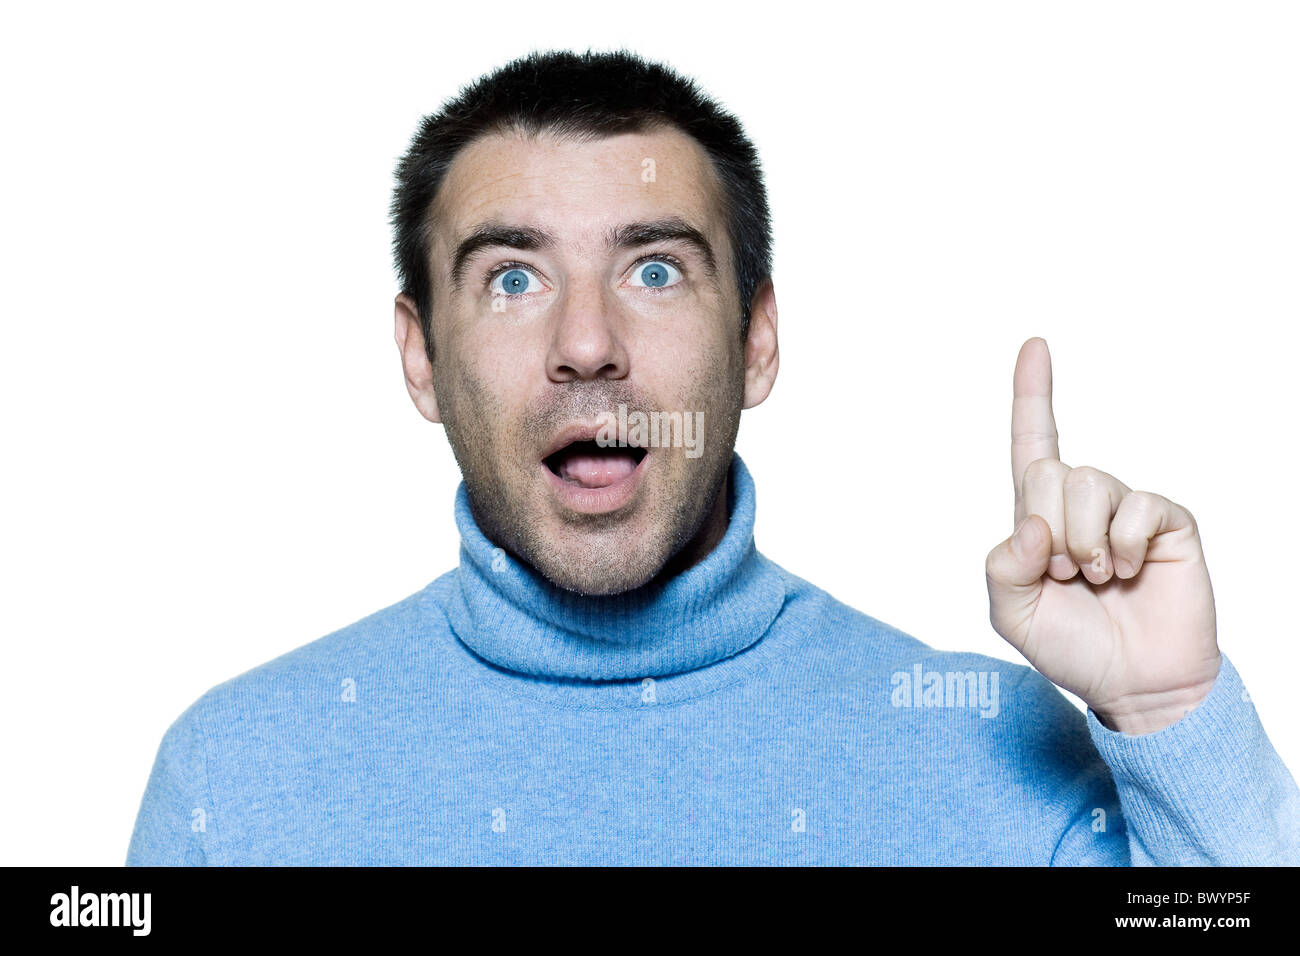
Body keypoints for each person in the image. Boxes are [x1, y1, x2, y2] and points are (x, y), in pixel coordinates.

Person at [127, 49, 1299, 865]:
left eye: (653, 269)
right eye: (512, 278)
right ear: (420, 358)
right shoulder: (236, 782)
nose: (586, 345)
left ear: (757, 341)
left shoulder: (990, 749)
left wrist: (1171, 715)